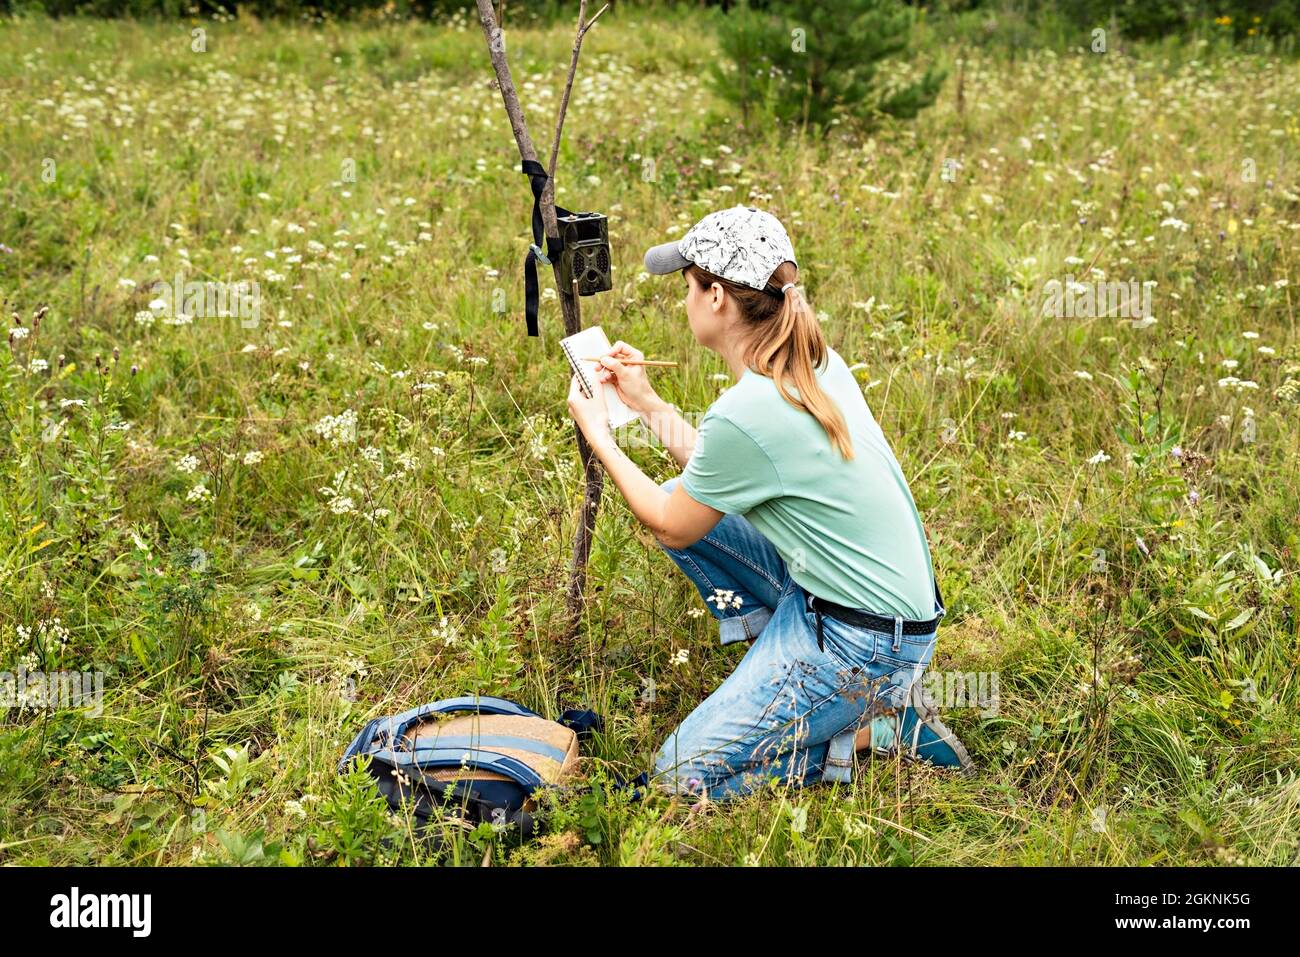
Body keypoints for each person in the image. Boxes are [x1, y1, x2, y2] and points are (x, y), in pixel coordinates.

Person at [565, 205, 974, 802]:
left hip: (864, 643)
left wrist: (599, 433)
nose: (683, 301)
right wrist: (648, 404)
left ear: (716, 299)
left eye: (686, 287)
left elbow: (672, 528)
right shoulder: (812, 363)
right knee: (686, 491)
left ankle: (875, 729)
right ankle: (792, 676)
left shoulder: (748, 410)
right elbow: (721, 468)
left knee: (678, 778)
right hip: (876, 612)